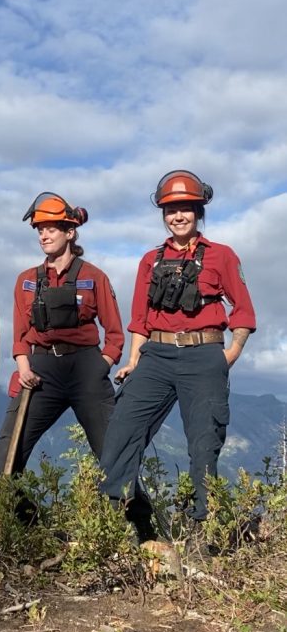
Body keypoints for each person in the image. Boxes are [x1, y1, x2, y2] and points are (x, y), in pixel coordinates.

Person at [99, 170, 256, 538]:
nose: (178, 216)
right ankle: (119, 528)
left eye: (185, 208)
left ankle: (203, 533)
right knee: (121, 431)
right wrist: (134, 360)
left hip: (204, 355)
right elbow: (139, 318)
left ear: (198, 211)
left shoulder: (222, 256)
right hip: (155, 354)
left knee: (204, 443)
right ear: (163, 215)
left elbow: (244, 311)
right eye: (171, 210)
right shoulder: (149, 260)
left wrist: (229, 354)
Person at [0, 192, 124, 476]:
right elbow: (21, 334)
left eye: (50, 229)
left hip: (86, 367)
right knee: (6, 457)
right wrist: (24, 367)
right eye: (39, 230)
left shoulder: (95, 277)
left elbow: (115, 334)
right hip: (41, 370)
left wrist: (101, 366)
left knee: (116, 458)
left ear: (70, 232)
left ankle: (137, 516)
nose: (43, 236)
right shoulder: (26, 280)